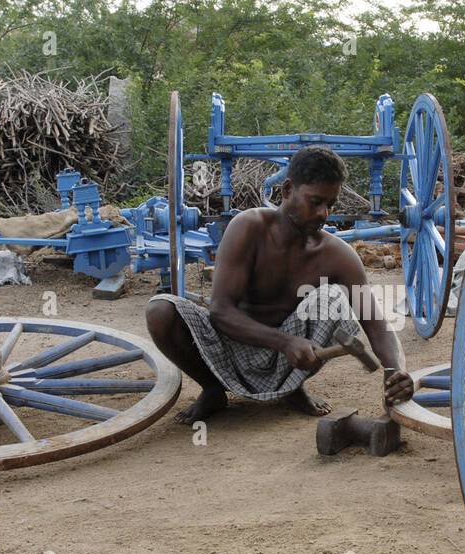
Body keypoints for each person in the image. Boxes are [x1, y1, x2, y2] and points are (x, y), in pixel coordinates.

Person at [146, 145, 414, 423]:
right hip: (230, 347)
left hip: (289, 361)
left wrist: (396, 370)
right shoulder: (249, 227)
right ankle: (213, 390)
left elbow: (376, 323)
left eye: (330, 205)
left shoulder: (338, 256)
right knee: (160, 312)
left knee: (332, 298)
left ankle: (292, 388)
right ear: (287, 190)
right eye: (315, 201)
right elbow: (221, 312)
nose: (324, 213)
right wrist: (284, 342)